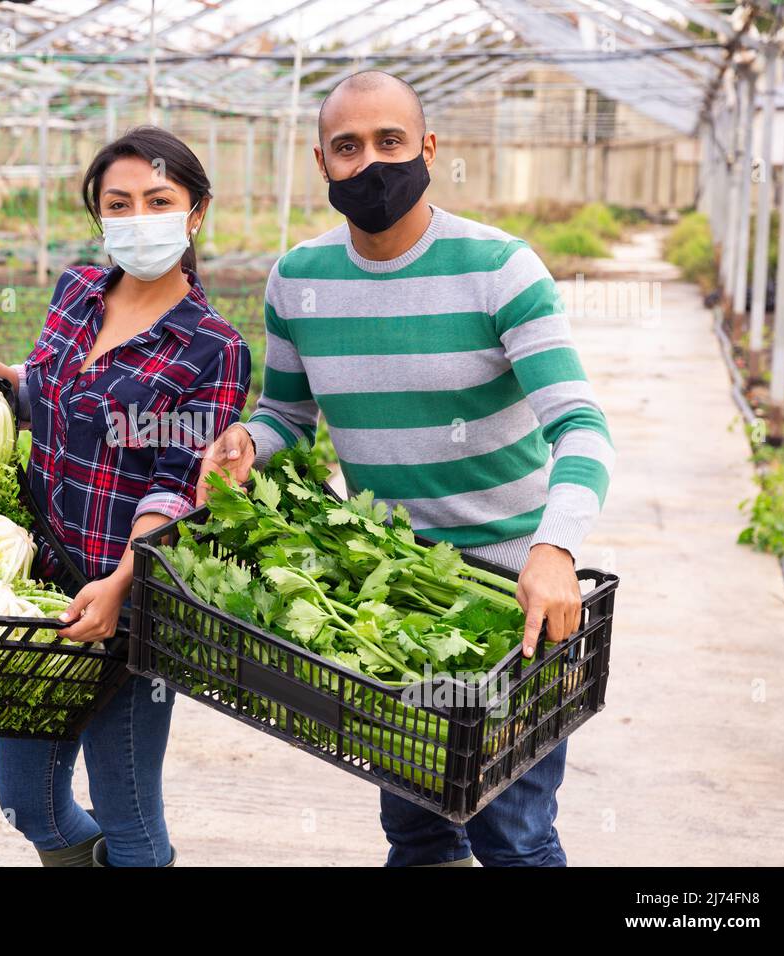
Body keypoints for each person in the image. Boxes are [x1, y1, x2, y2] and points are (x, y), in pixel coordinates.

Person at [196, 71, 615, 867]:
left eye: (390, 142)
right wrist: (249, 445)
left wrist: (553, 549)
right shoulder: (299, 281)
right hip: (389, 593)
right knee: (418, 827)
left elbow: (582, 427)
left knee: (512, 835)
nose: (370, 164)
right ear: (320, 162)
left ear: (428, 149)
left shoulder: (498, 266)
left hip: (508, 598)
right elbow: (286, 416)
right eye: (347, 148)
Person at [0, 127, 251, 867]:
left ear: (195, 212)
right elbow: (48, 396)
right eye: (118, 203)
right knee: (28, 802)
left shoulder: (211, 346)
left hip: (128, 611)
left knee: (129, 815)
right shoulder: (78, 290)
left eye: (158, 200)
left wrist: (122, 583)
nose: (138, 216)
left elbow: (176, 485)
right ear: (99, 216)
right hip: (36, 586)